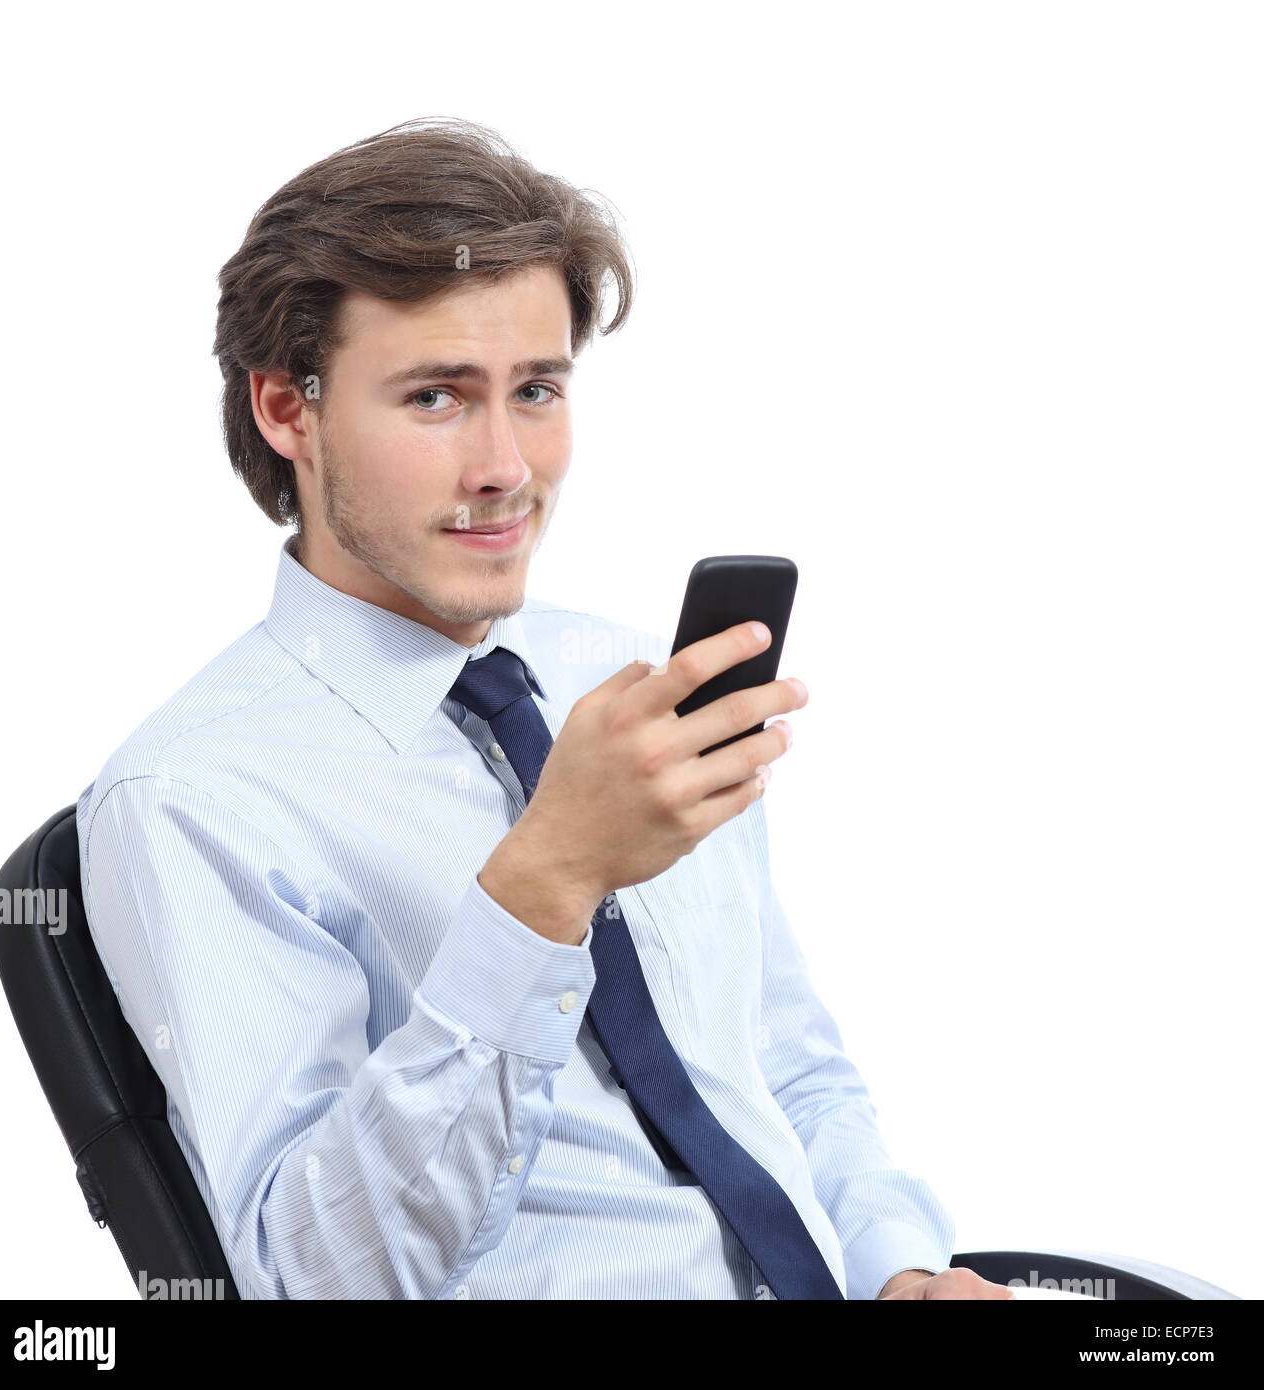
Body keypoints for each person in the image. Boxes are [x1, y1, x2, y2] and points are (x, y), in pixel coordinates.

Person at [77, 117, 1012, 1301]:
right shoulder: (192, 800)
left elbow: (783, 1066)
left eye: (536, 389)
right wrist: (543, 885)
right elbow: (317, 1277)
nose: (507, 466)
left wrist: (900, 1267)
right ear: (286, 410)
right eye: (435, 397)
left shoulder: (622, 681)